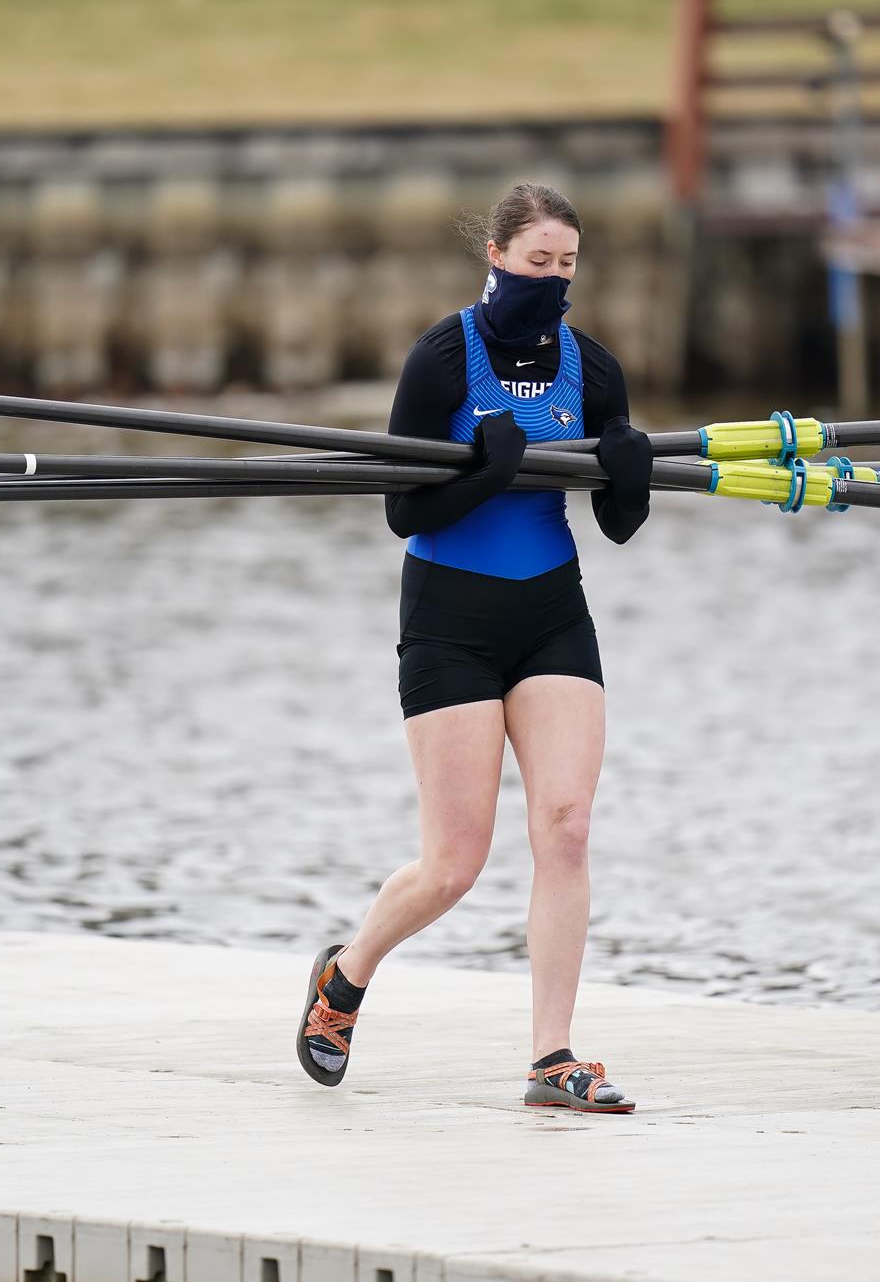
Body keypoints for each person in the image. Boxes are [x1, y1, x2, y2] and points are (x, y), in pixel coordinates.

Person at [292, 182, 652, 1113]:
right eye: (539, 261)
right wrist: (483, 477)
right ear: (496, 256)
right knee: (454, 863)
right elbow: (402, 509)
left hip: (552, 613)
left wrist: (629, 475)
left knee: (567, 826)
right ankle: (345, 974)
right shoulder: (442, 358)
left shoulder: (593, 368)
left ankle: (552, 1058)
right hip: (449, 617)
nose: (554, 277)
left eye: (567, 264)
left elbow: (618, 525)